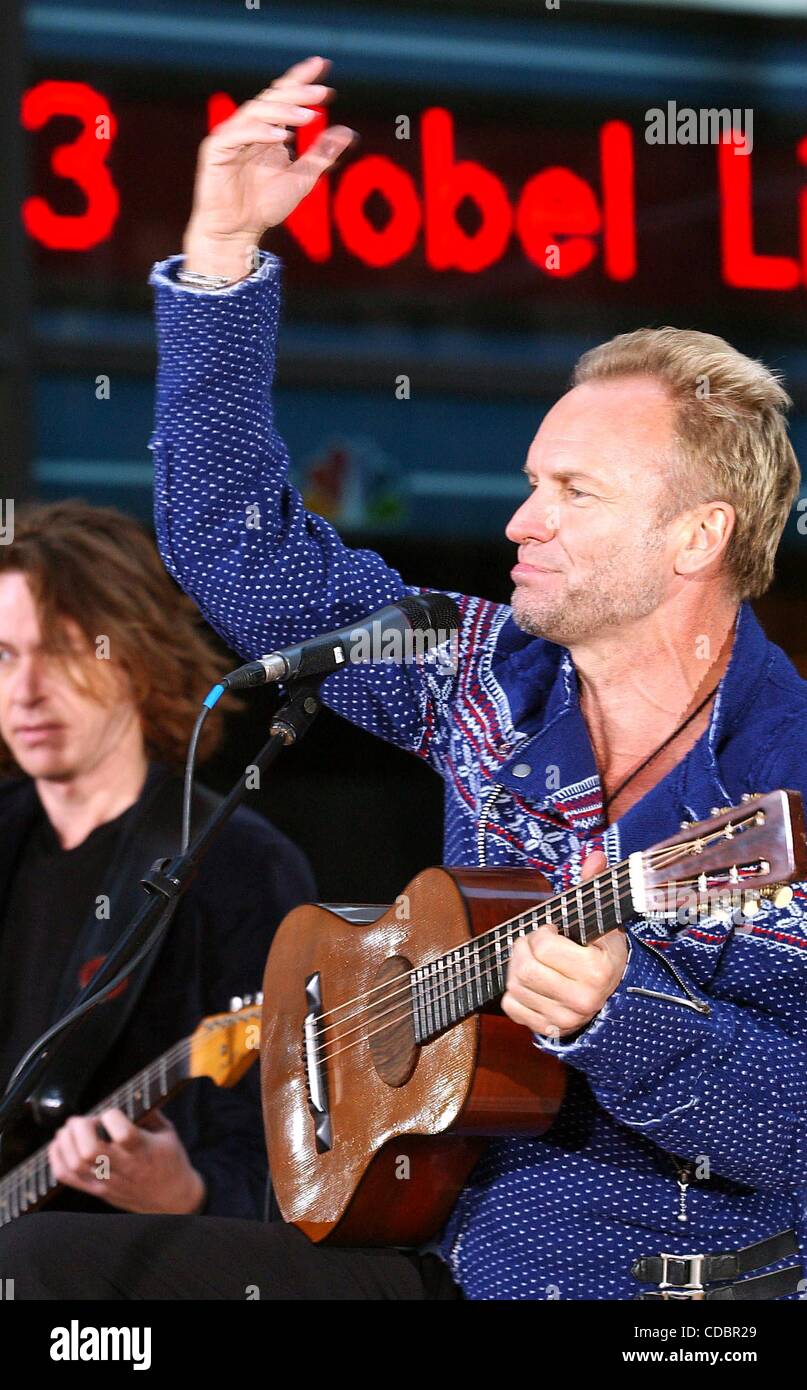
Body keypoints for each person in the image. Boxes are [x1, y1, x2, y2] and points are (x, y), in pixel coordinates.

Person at [2, 55, 806, 1301]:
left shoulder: (783, 778)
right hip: (429, 1250)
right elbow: (236, 545)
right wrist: (218, 257)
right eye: (531, 480)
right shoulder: (486, 672)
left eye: (572, 492)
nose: (519, 520)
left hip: (658, 1291)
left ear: (700, 536)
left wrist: (618, 1019)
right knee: (45, 1270)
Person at [0, 500, 315, 1221]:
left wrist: (188, 1192)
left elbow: (287, 1166)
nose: (25, 691)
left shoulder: (243, 867)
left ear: (137, 656)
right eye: (4, 655)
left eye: (66, 650)